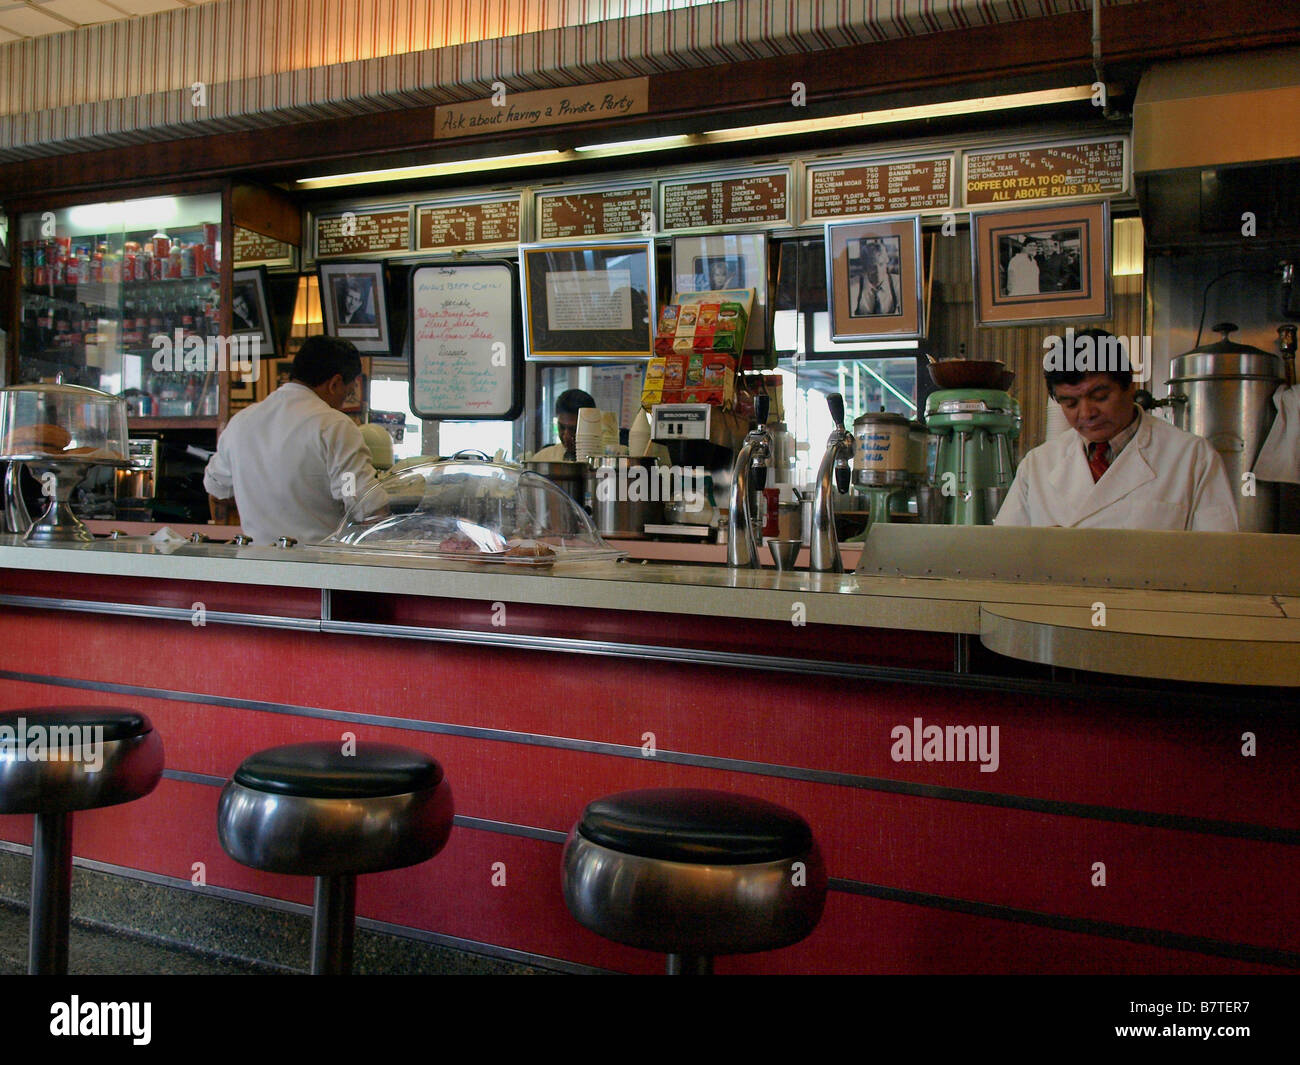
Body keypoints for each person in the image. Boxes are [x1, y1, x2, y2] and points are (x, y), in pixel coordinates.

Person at [994, 330, 1238, 531]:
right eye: (1070, 403)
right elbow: (1009, 554)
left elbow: (1218, 560)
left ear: (1130, 385)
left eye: (1100, 396)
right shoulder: (1038, 465)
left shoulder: (1191, 457)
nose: (1086, 413)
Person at [203, 335, 379, 544]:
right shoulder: (335, 426)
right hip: (317, 567)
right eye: (347, 393)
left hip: (254, 567)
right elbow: (366, 507)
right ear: (335, 383)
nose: (343, 402)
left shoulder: (241, 422)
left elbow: (215, 486)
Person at [531, 388, 597, 461]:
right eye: (562, 427)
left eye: (573, 429)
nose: (566, 436)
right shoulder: (543, 458)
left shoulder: (603, 461)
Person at [852, 241, 901, 316]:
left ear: (886, 263)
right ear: (865, 267)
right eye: (872, 266)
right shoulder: (853, 285)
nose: (878, 271)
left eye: (881, 264)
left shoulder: (899, 283)